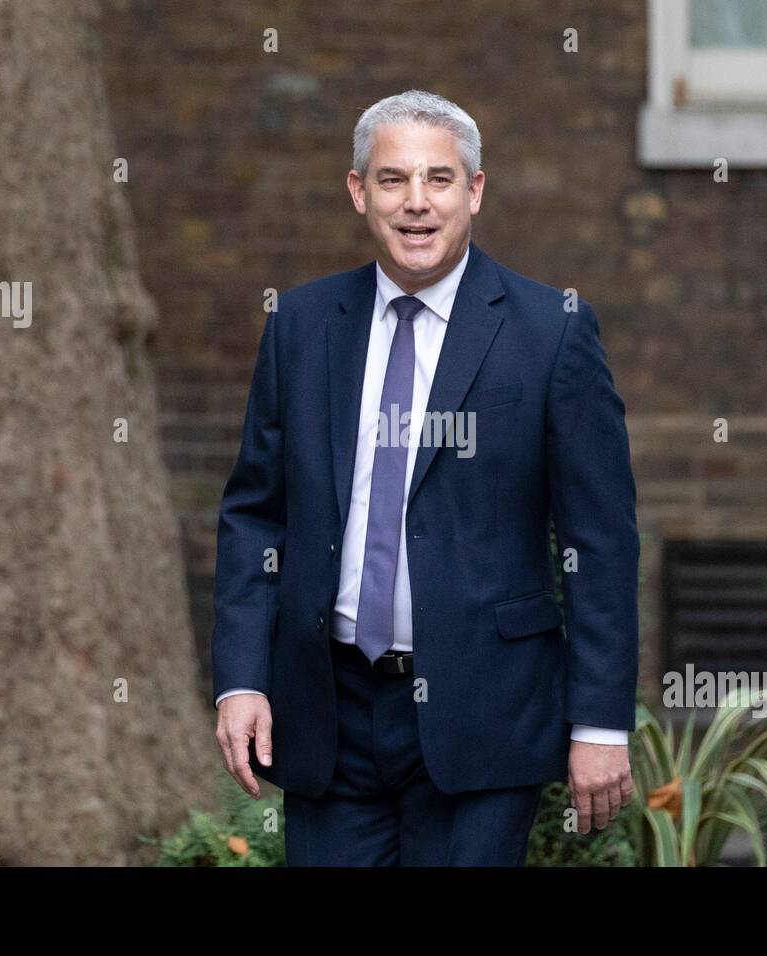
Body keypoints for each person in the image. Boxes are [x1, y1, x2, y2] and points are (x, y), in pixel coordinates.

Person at [210, 89, 639, 865]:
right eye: (393, 180)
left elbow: (600, 542)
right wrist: (241, 680)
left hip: (485, 715)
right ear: (358, 192)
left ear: (474, 191)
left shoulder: (552, 333)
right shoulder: (302, 327)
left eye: (439, 180)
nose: (417, 203)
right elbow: (254, 515)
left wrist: (600, 724)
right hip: (328, 714)